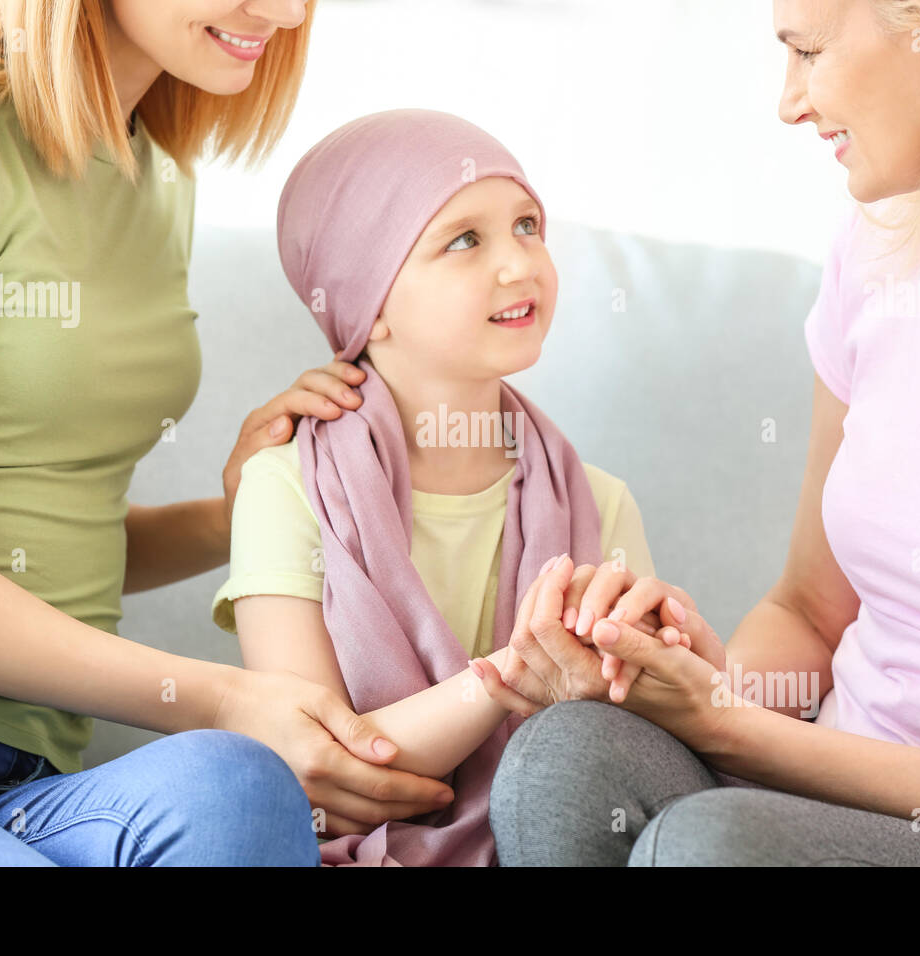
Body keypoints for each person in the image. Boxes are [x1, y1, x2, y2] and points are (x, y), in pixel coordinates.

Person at [480, 0, 920, 867]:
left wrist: (736, 732)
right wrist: (693, 687)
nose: (790, 102)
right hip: (813, 792)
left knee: (716, 849)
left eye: (809, 51)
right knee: (564, 758)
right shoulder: (877, 254)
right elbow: (812, 614)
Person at [0, 0, 455, 866]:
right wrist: (222, 696)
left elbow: (39, 541)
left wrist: (248, 509)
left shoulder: (155, 169)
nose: (281, 12)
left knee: (237, 790)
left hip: (28, 776)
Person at [211, 109, 660, 865]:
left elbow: (631, 747)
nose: (520, 263)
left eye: (526, 225)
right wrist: (513, 675)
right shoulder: (284, 491)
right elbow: (321, 765)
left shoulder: (600, 499)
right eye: (464, 241)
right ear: (368, 304)